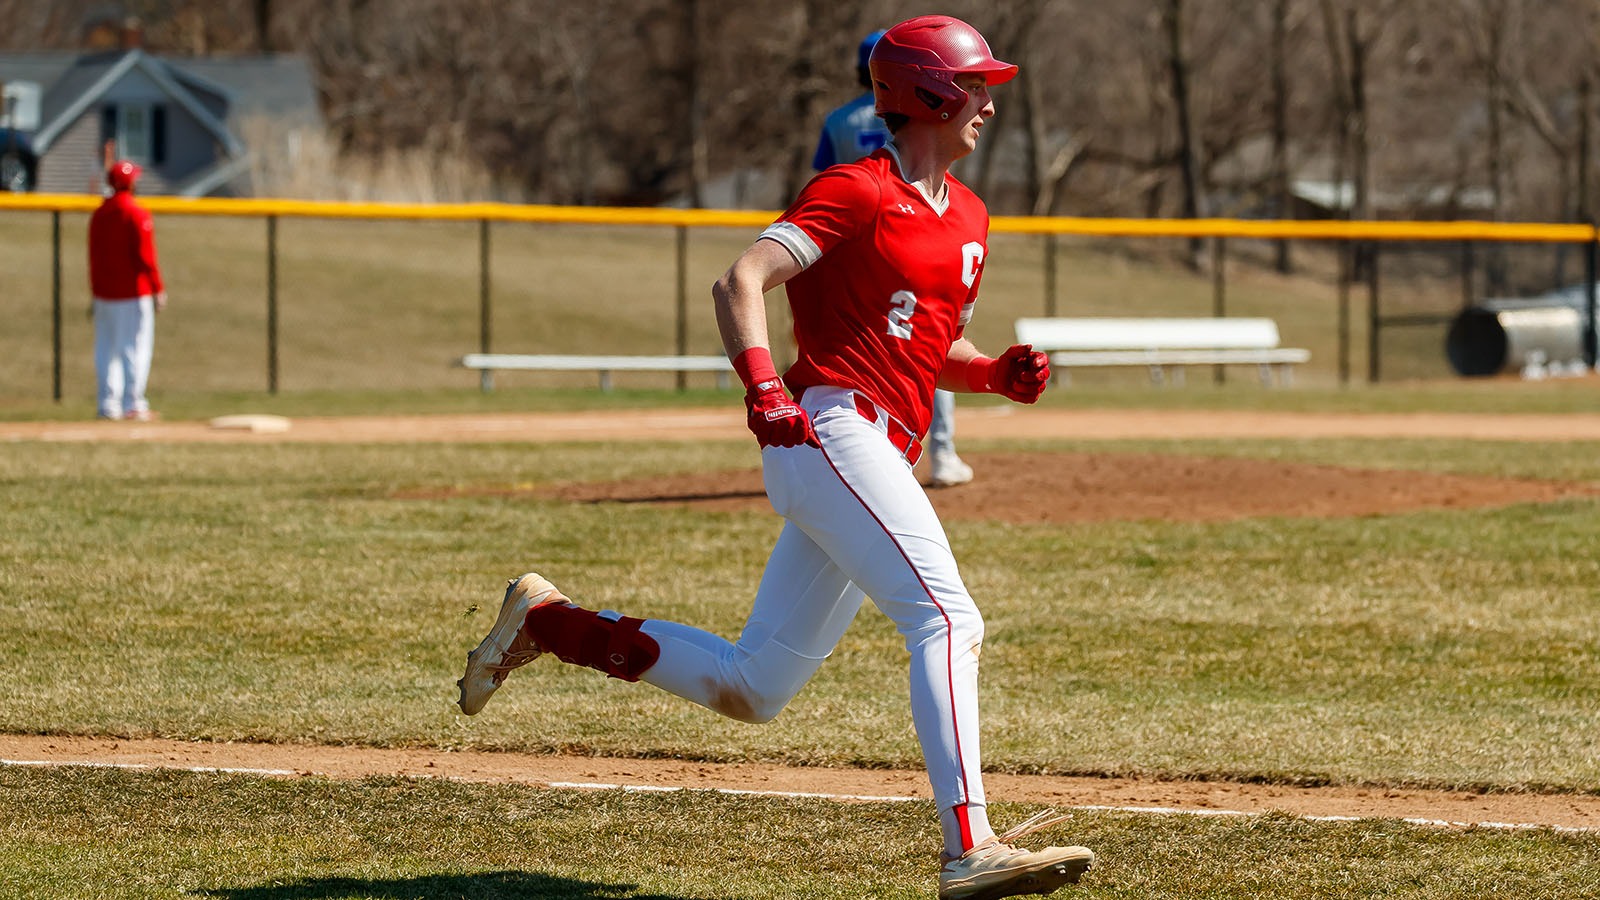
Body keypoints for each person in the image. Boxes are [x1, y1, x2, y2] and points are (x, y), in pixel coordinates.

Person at [457, 15, 1092, 900]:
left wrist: (994, 376)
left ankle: (548, 621)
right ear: (928, 94)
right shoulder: (857, 189)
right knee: (948, 620)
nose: (988, 101)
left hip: (876, 450)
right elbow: (742, 279)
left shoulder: (970, 216)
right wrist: (763, 386)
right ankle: (969, 846)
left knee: (752, 689)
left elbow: (922, 345)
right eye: (974, 84)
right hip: (829, 430)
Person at [813, 28, 974, 488]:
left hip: (846, 254)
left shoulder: (838, 119)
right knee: (923, 346)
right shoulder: (917, 114)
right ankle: (940, 453)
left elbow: (825, 182)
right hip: (907, 243)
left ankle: (848, 449)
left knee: (853, 354)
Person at [88, 159, 166, 421]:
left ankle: (107, 404)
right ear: (130, 183)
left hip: (104, 294)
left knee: (106, 349)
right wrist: (158, 287)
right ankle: (133, 403)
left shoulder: (99, 213)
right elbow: (146, 256)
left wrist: (95, 291)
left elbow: (93, 256)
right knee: (135, 347)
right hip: (133, 292)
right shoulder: (136, 213)